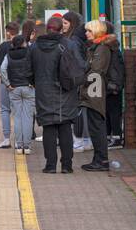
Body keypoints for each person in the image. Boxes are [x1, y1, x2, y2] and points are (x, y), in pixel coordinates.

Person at [29, 15, 80, 173]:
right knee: (65, 129)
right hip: (65, 94)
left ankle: (50, 166)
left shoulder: (35, 47)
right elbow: (78, 68)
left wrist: (37, 83)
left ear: (47, 29)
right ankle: (67, 166)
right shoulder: (69, 45)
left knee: (49, 130)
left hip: (44, 93)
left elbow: (28, 71)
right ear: (61, 29)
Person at [80, 20, 120, 172]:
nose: (86, 33)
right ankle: (98, 159)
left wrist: (82, 80)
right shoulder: (96, 47)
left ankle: (101, 160)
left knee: (97, 126)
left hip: (95, 91)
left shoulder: (102, 49)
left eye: (89, 31)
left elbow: (96, 70)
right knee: (94, 126)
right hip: (93, 90)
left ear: (96, 32)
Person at [62, 10, 92, 153]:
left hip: (77, 80)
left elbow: (79, 62)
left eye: (65, 23)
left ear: (72, 23)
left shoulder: (73, 40)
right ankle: (85, 140)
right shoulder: (78, 39)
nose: (63, 26)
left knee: (79, 111)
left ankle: (80, 141)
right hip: (81, 78)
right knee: (83, 110)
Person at [5, 34, 35, 153]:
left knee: (17, 117)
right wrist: (33, 82)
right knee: (28, 117)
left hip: (14, 88)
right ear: (23, 43)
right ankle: (27, 146)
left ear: (13, 44)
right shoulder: (29, 53)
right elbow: (35, 67)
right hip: (28, 87)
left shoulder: (8, 55)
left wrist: (7, 84)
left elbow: (2, 69)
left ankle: (19, 145)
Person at [103, 19, 126, 149]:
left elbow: (116, 69)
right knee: (108, 112)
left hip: (112, 87)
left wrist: (115, 86)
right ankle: (111, 137)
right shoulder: (110, 46)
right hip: (110, 86)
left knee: (113, 112)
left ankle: (117, 138)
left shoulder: (111, 48)